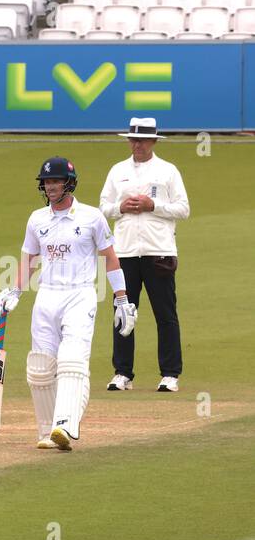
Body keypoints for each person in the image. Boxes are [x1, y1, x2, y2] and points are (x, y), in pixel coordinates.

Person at [0, 158, 136, 451]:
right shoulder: (37, 219)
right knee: (40, 367)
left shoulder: (92, 217)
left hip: (80, 294)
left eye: (56, 181)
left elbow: (110, 258)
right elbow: (29, 259)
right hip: (46, 295)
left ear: (69, 183)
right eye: (46, 182)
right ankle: (49, 432)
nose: (50, 186)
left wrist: (121, 299)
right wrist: (15, 291)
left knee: (72, 360)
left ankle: (66, 425)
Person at [98, 117, 190, 393]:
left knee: (165, 313)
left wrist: (153, 205)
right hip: (124, 251)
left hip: (159, 250)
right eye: (133, 139)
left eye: (142, 140)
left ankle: (170, 374)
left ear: (153, 141)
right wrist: (120, 207)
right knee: (123, 312)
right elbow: (102, 209)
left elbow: (183, 209)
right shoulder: (117, 171)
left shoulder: (168, 171)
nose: (137, 144)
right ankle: (122, 373)